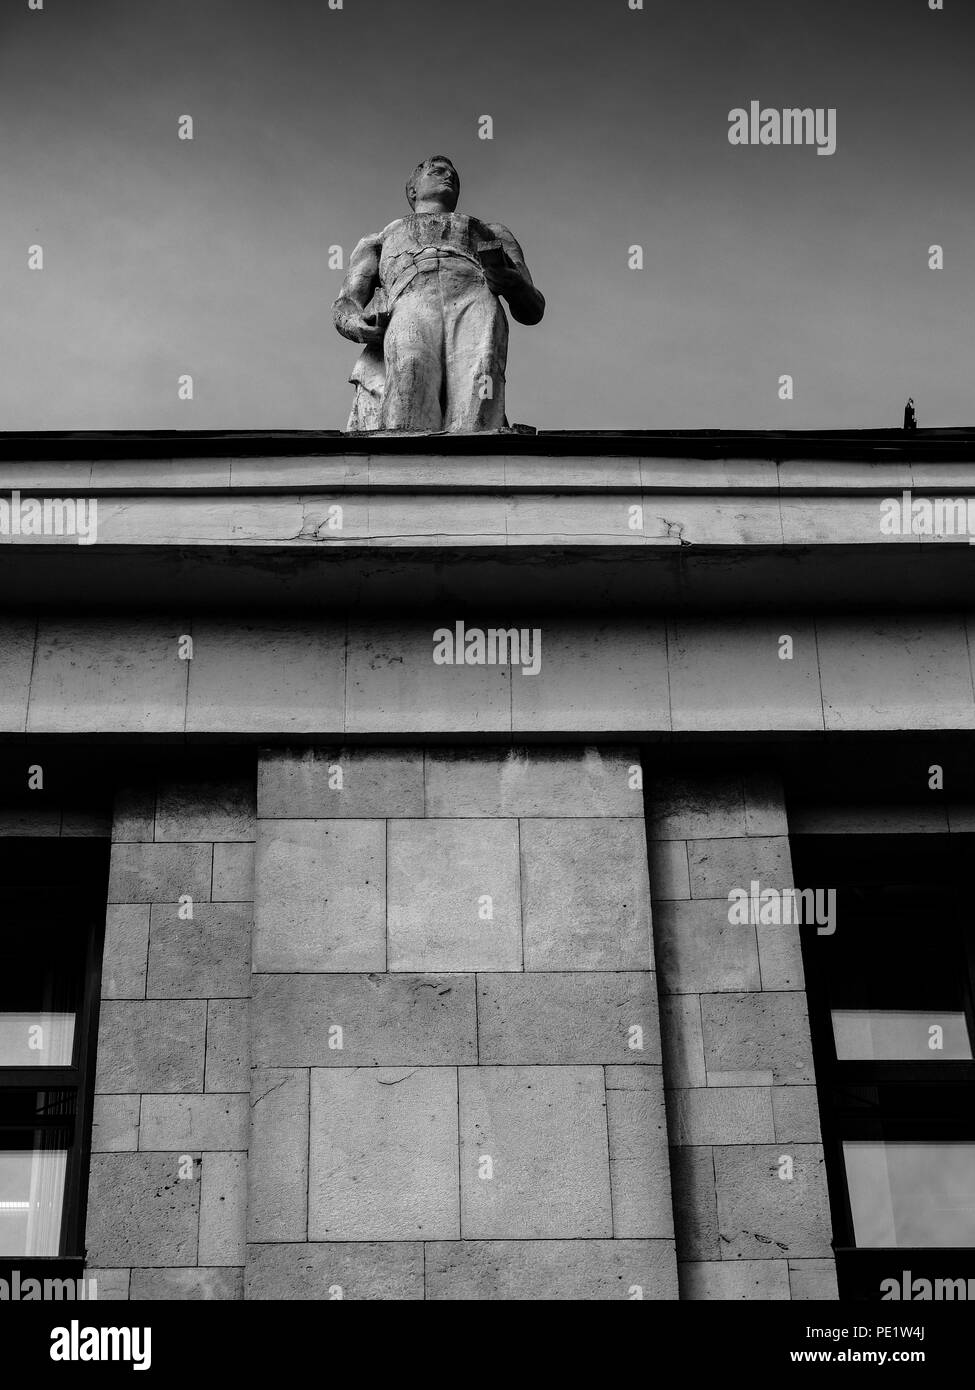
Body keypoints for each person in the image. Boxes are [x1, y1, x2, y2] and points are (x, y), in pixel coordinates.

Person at [332, 156, 544, 432]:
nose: (449, 177)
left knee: (481, 371)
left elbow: (533, 308)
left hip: (474, 299)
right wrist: (357, 324)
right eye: (438, 171)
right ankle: (404, 465)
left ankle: (476, 462)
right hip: (410, 302)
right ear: (413, 190)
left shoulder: (492, 232)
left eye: (454, 175)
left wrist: (512, 283)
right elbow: (346, 302)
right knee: (410, 370)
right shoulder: (380, 239)